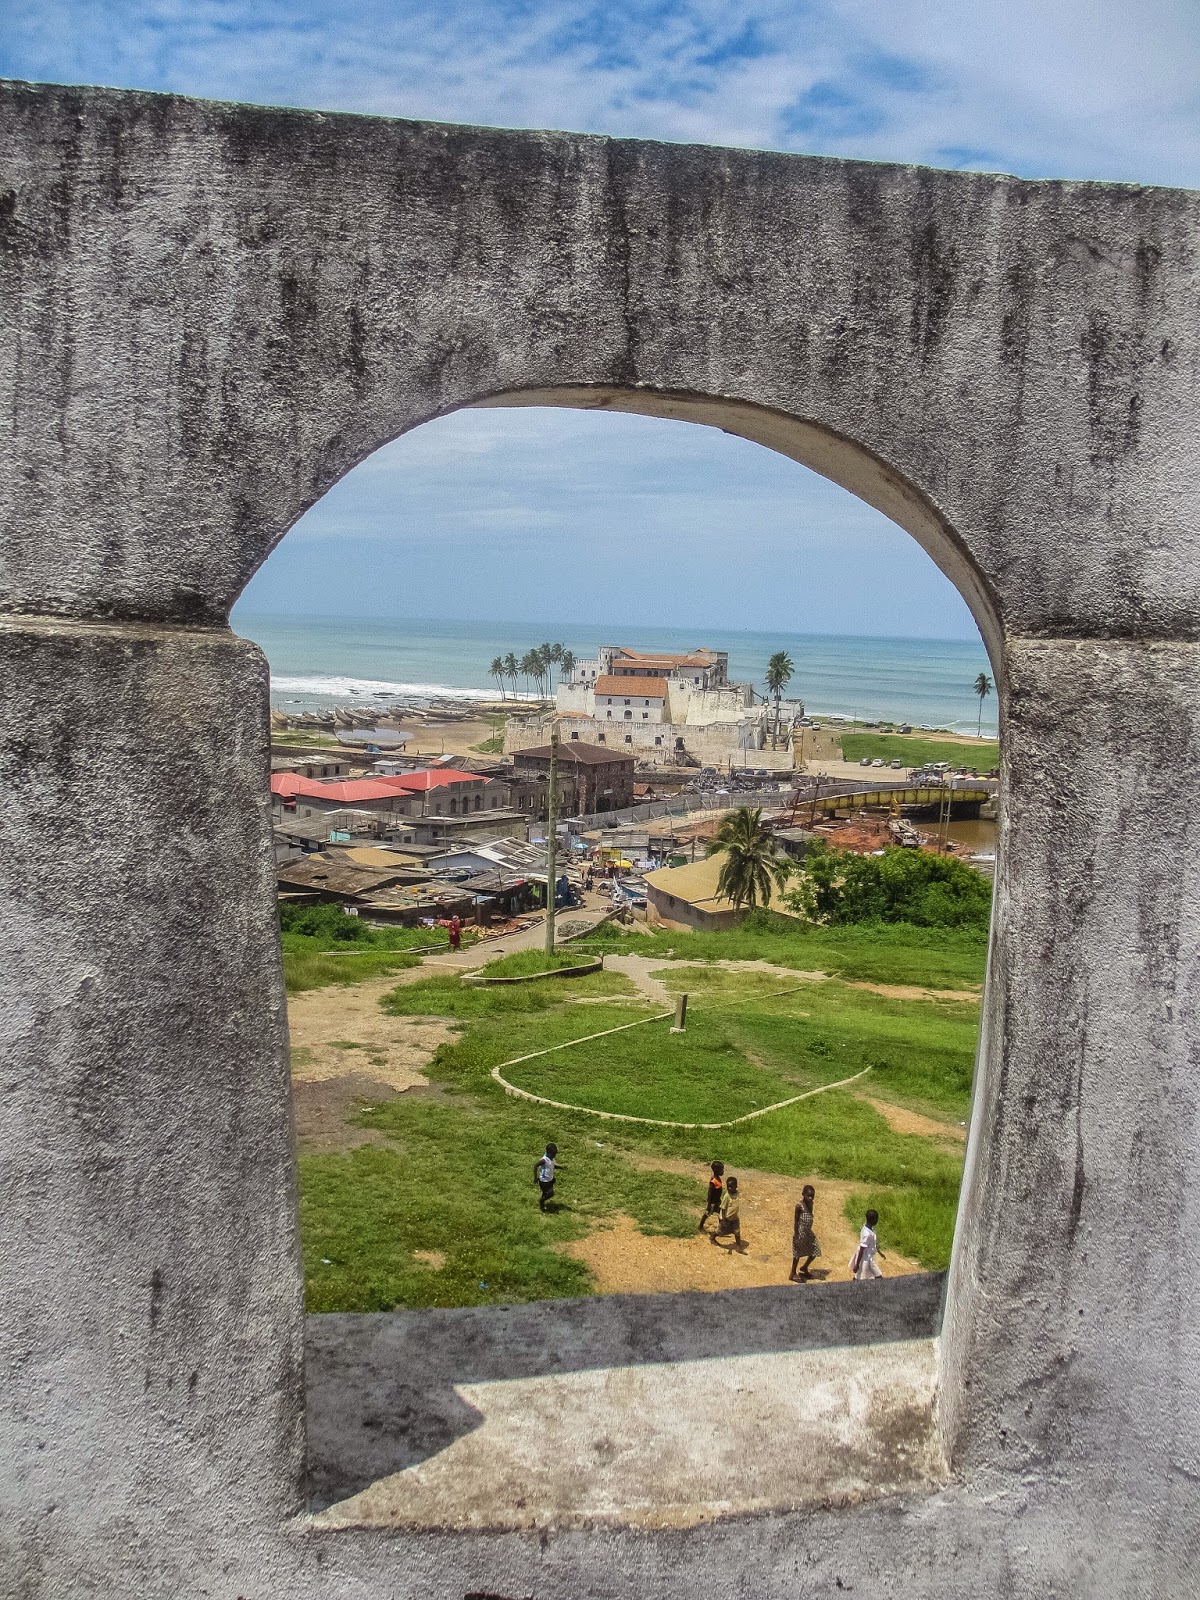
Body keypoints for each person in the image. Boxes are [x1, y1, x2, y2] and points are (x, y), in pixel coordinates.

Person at [790, 1184, 821, 1281]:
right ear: (803, 1194)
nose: (810, 1198)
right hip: (801, 1232)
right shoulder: (799, 1206)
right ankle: (792, 1273)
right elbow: (796, 1221)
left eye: (812, 1196)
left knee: (815, 1249)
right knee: (797, 1254)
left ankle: (804, 1267)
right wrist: (796, 1236)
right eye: (808, 1196)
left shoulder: (811, 1204)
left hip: (808, 1232)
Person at [713, 1175, 746, 1251]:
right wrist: (723, 1219)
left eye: (731, 1187)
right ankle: (712, 1237)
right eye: (728, 1187)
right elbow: (723, 1208)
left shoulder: (737, 1193)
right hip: (726, 1218)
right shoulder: (726, 1196)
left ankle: (738, 1246)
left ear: (736, 1186)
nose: (729, 1188)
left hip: (734, 1217)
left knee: (737, 1231)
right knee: (720, 1231)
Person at [851, 1208, 885, 1280]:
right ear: (873, 1220)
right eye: (877, 1219)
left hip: (869, 1258)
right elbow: (861, 1248)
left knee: (877, 1275)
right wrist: (857, 1264)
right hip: (864, 1258)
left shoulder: (868, 1228)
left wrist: (880, 1252)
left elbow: (873, 1244)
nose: (877, 1220)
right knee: (860, 1277)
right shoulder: (867, 1234)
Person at [698, 1160, 725, 1232]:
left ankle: (721, 1228)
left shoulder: (718, 1179)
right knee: (707, 1214)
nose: (723, 1171)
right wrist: (709, 1204)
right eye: (721, 1169)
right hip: (713, 1202)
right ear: (716, 1170)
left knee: (721, 1214)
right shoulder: (713, 1181)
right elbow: (710, 1193)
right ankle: (700, 1226)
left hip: (717, 1201)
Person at [535, 1142, 561, 1211]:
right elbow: (535, 1165)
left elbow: (552, 1166)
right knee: (550, 1193)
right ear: (549, 1153)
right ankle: (541, 1201)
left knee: (545, 1193)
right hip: (544, 1181)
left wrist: (560, 1168)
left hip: (549, 1179)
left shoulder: (551, 1159)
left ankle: (542, 1205)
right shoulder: (544, 1160)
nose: (555, 1155)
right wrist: (535, 1178)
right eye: (554, 1154)